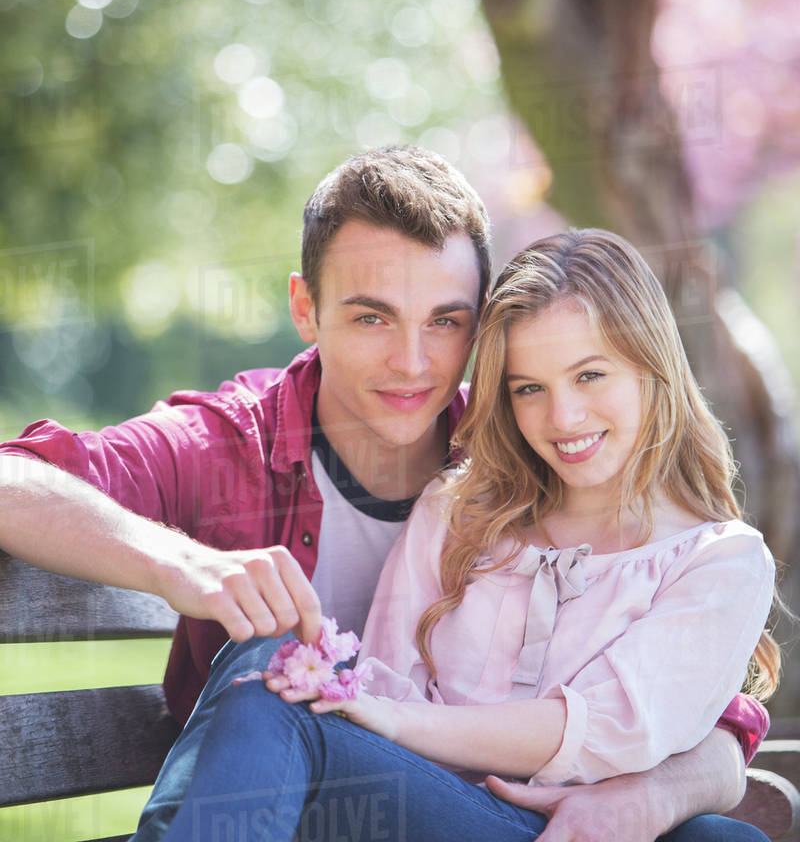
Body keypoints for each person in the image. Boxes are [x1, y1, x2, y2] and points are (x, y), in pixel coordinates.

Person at [0, 150, 766, 840]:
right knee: (270, 657)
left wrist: (665, 789)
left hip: (476, 805)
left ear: (481, 333)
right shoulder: (231, 447)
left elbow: (680, 693)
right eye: (372, 317)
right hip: (318, 805)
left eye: (444, 322)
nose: (411, 362)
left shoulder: (519, 456)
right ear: (306, 308)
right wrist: (187, 569)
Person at [156, 228, 778, 842]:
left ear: (651, 366)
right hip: (428, 814)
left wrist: (401, 720)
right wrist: (382, 715)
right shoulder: (457, 513)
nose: (563, 418)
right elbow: (383, 680)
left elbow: (605, 727)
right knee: (265, 676)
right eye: (529, 388)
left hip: (573, 828)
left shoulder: (719, 560)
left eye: (590, 375)